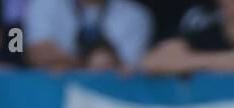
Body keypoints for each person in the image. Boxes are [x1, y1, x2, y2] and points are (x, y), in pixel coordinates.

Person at [24, 0, 154, 69]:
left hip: (108, 102)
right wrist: (87, 63)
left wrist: (66, 63)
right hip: (50, 95)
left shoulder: (135, 16)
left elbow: (129, 71)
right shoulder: (45, 3)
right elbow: (37, 54)